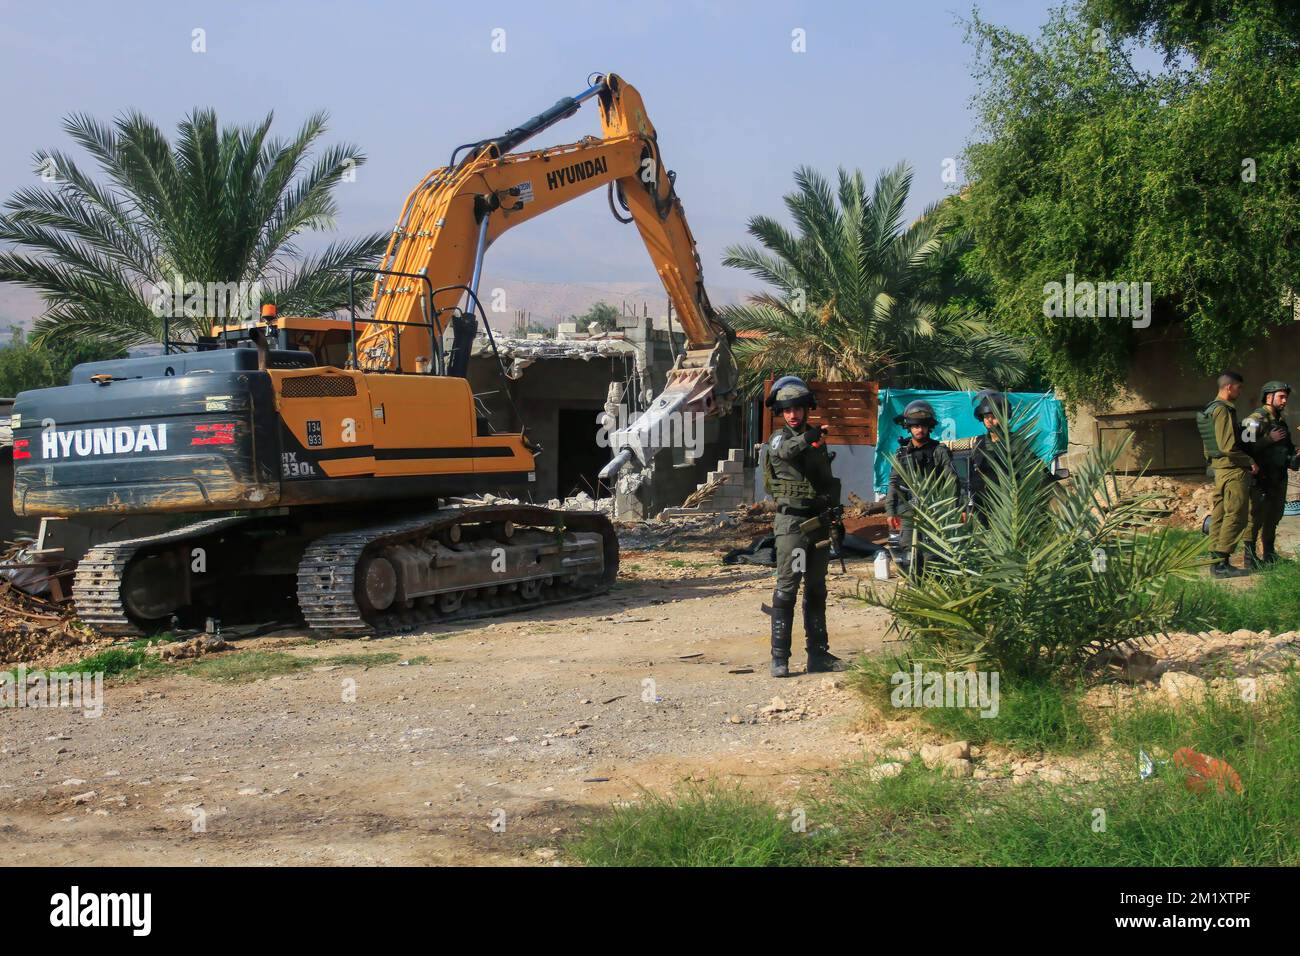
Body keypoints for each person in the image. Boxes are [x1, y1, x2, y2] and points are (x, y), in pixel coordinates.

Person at [762, 375, 842, 678]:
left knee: (817, 588)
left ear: (806, 409)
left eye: (797, 408)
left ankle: (818, 655)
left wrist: (835, 518)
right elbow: (786, 452)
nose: (793, 414)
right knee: (788, 587)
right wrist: (809, 438)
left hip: (818, 523)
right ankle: (780, 657)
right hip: (793, 525)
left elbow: (825, 481)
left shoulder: (815, 440)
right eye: (787, 410)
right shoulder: (779, 439)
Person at [886, 400, 958, 574]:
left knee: (932, 552)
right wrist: (890, 511)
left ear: (929, 427)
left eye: (923, 426)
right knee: (908, 550)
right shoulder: (902, 453)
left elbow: (952, 480)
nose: (920, 429)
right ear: (909, 427)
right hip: (909, 508)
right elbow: (894, 482)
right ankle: (914, 585)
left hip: (935, 508)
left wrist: (954, 508)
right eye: (915, 426)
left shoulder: (938, 451)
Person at [1197, 372, 1257, 578]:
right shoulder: (1223, 410)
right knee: (1237, 516)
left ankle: (1216, 563)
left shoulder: (1209, 408)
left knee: (1220, 516)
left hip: (1219, 469)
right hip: (1232, 470)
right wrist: (1250, 462)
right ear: (1229, 387)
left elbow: (1211, 447)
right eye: (1239, 388)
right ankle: (1222, 561)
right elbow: (1228, 446)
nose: (1240, 392)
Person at [1241, 380, 1298, 567]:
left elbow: (1285, 449)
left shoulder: (1280, 421)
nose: (1284, 401)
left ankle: (1269, 555)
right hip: (1261, 478)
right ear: (1268, 397)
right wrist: (1268, 439)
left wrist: (1294, 456)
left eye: (1286, 398)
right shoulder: (1254, 419)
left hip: (1278, 477)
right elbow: (1243, 447)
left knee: (1273, 517)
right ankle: (1249, 559)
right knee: (1255, 517)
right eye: (1281, 397)